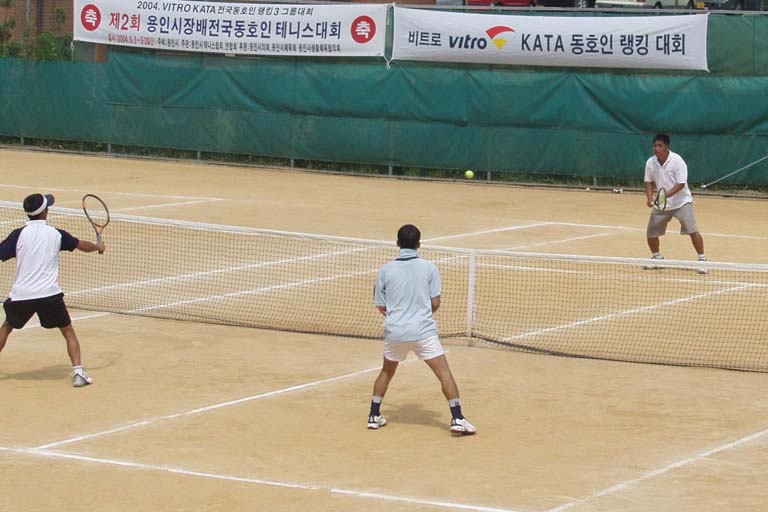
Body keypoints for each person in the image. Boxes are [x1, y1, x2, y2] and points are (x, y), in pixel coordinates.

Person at [368, 224, 476, 435]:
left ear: (398, 243)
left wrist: (399, 319)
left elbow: (381, 305)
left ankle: (373, 415)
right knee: (444, 373)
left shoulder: (385, 270)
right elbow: (435, 302)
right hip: (423, 332)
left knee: (386, 371)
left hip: (395, 332)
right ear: (419, 244)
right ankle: (457, 418)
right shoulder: (430, 268)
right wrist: (419, 317)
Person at [0, 193, 105, 387]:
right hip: (49, 294)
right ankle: (78, 374)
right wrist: (98, 245)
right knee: (67, 330)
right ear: (45, 212)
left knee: (6, 327)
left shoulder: (18, 235)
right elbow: (83, 246)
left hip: (21, 294)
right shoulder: (56, 234)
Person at [643, 133, 708, 274]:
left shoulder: (677, 161)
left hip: (682, 202)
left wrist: (664, 196)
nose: (656, 148)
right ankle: (657, 258)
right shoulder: (650, 162)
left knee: (692, 230)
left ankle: (702, 260)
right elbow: (648, 182)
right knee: (651, 232)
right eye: (654, 145)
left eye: (660, 145)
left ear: (667, 146)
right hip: (662, 204)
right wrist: (649, 198)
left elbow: (680, 184)